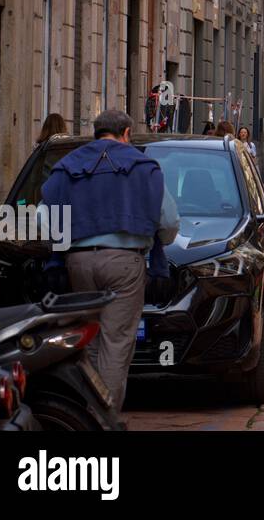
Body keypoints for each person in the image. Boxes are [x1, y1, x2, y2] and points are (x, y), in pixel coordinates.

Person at [40, 110, 178, 415]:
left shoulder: (69, 165)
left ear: (96, 132)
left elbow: (45, 219)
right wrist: (157, 240)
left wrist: (66, 245)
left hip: (77, 263)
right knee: (116, 343)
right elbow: (168, 222)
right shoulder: (144, 166)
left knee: (88, 342)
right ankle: (103, 419)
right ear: (127, 132)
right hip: (124, 264)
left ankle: (85, 414)